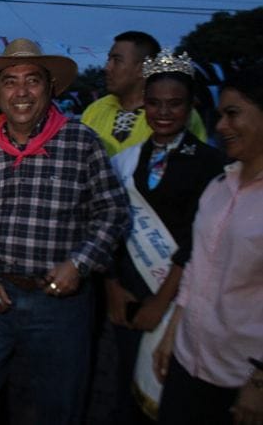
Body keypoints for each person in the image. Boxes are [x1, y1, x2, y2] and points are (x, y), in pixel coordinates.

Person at [0, 38, 131, 425]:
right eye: (10, 82)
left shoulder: (81, 142)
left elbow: (113, 211)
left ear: (50, 88)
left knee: (59, 403)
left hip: (61, 303)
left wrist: (79, 265)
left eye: (32, 81)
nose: (21, 92)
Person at [105, 50, 225, 423]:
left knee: (172, 396)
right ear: (143, 105)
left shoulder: (214, 165)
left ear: (191, 107)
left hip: (180, 301)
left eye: (175, 104)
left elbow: (199, 241)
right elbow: (108, 227)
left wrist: (162, 302)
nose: (163, 113)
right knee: (125, 394)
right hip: (128, 297)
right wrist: (111, 286)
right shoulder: (126, 161)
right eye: (155, 103)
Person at [153, 65, 263, 425]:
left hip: (242, 378)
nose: (220, 127)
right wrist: (171, 335)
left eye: (233, 114)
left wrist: (259, 380)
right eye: (219, 115)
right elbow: (196, 272)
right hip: (188, 361)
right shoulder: (217, 187)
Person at [81, 31, 207, 156]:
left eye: (117, 60)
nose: (107, 67)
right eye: (109, 60)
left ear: (142, 68)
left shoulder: (178, 115)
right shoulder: (95, 110)